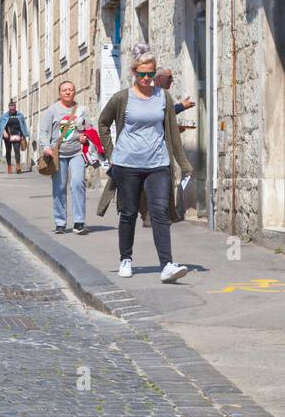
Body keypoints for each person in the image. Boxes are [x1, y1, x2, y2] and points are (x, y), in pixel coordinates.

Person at [97, 45, 194, 283]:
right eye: (142, 74)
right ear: (134, 72)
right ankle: (126, 259)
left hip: (158, 164)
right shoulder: (122, 98)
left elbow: (172, 134)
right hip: (127, 165)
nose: (147, 78)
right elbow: (102, 124)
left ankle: (167, 265)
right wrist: (112, 155)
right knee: (128, 212)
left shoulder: (164, 97)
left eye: (151, 74)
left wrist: (184, 165)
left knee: (160, 212)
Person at [41, 80, 89, 235]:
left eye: (71, 89)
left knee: (78, 183)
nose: (68, 92)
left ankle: (79, 222)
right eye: (64, 90)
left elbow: (89, 129)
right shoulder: (52, 110)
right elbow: (44, 131)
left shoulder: (81, 110)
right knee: (60, 187)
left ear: (75, 92)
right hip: (58, 154)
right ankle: (60, 222)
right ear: (60, 93)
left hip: (76, 152)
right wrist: (46, 147)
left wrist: (84, 137)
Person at [0, 101, 29, 173]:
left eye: (13, 107)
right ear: (9, 107)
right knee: (8, 151)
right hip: (7, 136)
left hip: (17, 135)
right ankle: (9, 166)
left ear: (15, 107)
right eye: (10, 107)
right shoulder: (5, 116)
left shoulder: (20, 115)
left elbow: (23, 125)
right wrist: (4, 132)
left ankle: (18, 166)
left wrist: (24, 135)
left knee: (17, 151)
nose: (12, 109)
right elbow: (1, 125)